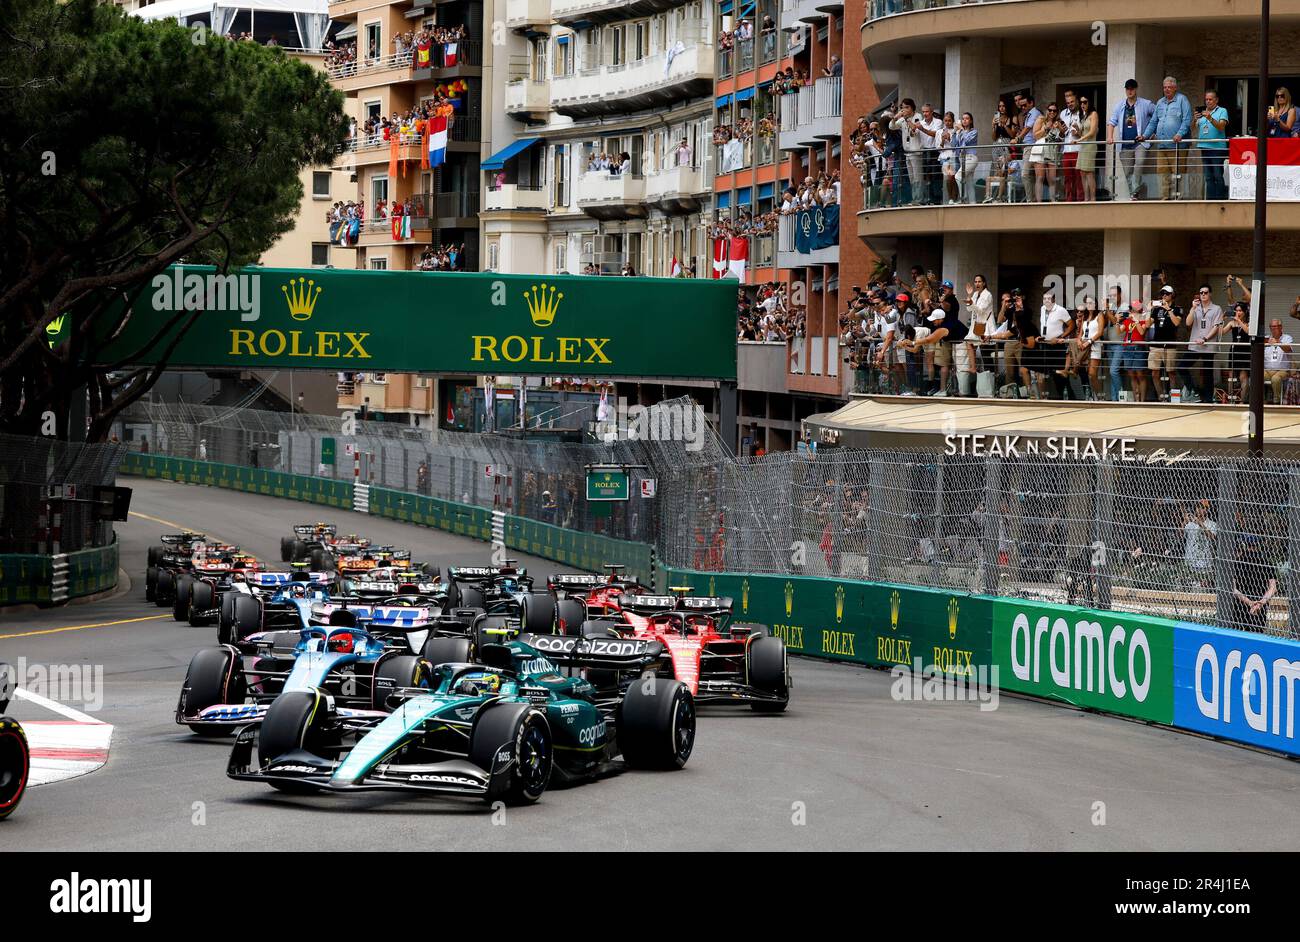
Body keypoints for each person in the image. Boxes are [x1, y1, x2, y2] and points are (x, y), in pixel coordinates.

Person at [1139, 76, 1193, 200]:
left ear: (1175, 88)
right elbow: (1153, 122)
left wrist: (1180, 134)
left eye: (1169, 87)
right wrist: (1144, 135)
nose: (1167, 90)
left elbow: (1187, 120)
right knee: (1162, 172)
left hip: (1177, 146)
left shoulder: (1182, 100)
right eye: (1164, 87)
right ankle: (1165, 198)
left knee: (1178, 173)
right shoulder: (1160, 102)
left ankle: (1178, 199)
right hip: (1162, 145)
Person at [1107, 79, 1155, 200]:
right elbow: (1111, 122)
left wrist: (1153, 133)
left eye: (1132, 88)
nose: (1130, 91)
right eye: (1128, 88)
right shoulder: (1120, 105)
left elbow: (1158, 116)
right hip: (1124, 144)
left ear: (1136, 89)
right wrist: (1110, 136)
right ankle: (1134, 194)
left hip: (1140, 143)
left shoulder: (1146, 104)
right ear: (1125, 90)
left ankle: (1135, 192)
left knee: (1139, 164)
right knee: (1128, 172)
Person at [1184, 284, 1223, 403]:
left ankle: (1207, 399)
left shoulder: (1217, 309)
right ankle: (1195, 390)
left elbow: (1216, 327)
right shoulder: (1196, 307)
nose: (1203, 295)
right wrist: (1192, 309)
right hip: (1195, 344)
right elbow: (1187, 323)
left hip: (1208, 345)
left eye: (1205, 292)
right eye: (1201, 293)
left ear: (1210, 294)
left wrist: (1205, 338)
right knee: (1181, 366)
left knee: (1207, 373)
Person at [1231, 535, 1276, 631]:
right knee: (1257, 635)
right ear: (1260, 545)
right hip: (1259, 607)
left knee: (1238, 635)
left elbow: (1233, 588)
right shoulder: (1266, 563)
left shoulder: (1237, 562)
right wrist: (1260, 603)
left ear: (1245, 545)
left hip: (1240, 605)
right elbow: (1272, 588)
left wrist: (1249, 602)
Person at [1148, 285, 1184, 400]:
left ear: (1172, 295)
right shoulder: (1157, 309)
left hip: (1170, 344)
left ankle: (1173, 397)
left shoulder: (1177, 308)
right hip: (1156, 344)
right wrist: (1149, 311)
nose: (1164, 296)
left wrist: (1168, 309)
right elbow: (1148, 324)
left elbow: (1176, 323)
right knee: (1154, 372)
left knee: (1171, 372)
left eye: (1166, 293)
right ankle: (1161, 396)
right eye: (1162, 294)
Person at [1195, 89, 1230, 199]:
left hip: (1217, 148)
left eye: (1210, 99)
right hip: (1204, 147)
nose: (1208, 102)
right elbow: (1193, 127)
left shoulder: (1222, 111)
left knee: (1217, 175)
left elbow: (1221, 126)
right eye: (1206, 99)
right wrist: (1194, 119)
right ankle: (1210, 200)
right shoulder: (1202, 112)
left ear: (1216, 100)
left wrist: (1210, 118)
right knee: (1208, 176)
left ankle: (1219, 200)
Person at [1183, 500, 1218, 585]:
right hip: (1190, 562)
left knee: (1201, 591)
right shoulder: (1190, 523)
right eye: (1197, 507)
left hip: (1205, 564)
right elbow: (1180, 535)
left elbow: (1212, 537)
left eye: (1202, 508)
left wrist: (1200, 524)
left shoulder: (1212, 524)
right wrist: (1184, 521)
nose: (1199, 510)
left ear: (1207, 510)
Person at [1264, 318, 1294, 404]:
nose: (1273, 329)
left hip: (1282, 371)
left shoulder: (1287, 338)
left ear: (1281, 327)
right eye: (1271, 327)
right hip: (1267, 370)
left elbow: (1288, 349)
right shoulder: (1267, 338)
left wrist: (1278, 342)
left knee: (1276, 379)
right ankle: (1261, 400)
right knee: (1256, 377)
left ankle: (1276, 401)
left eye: (1275, 326)